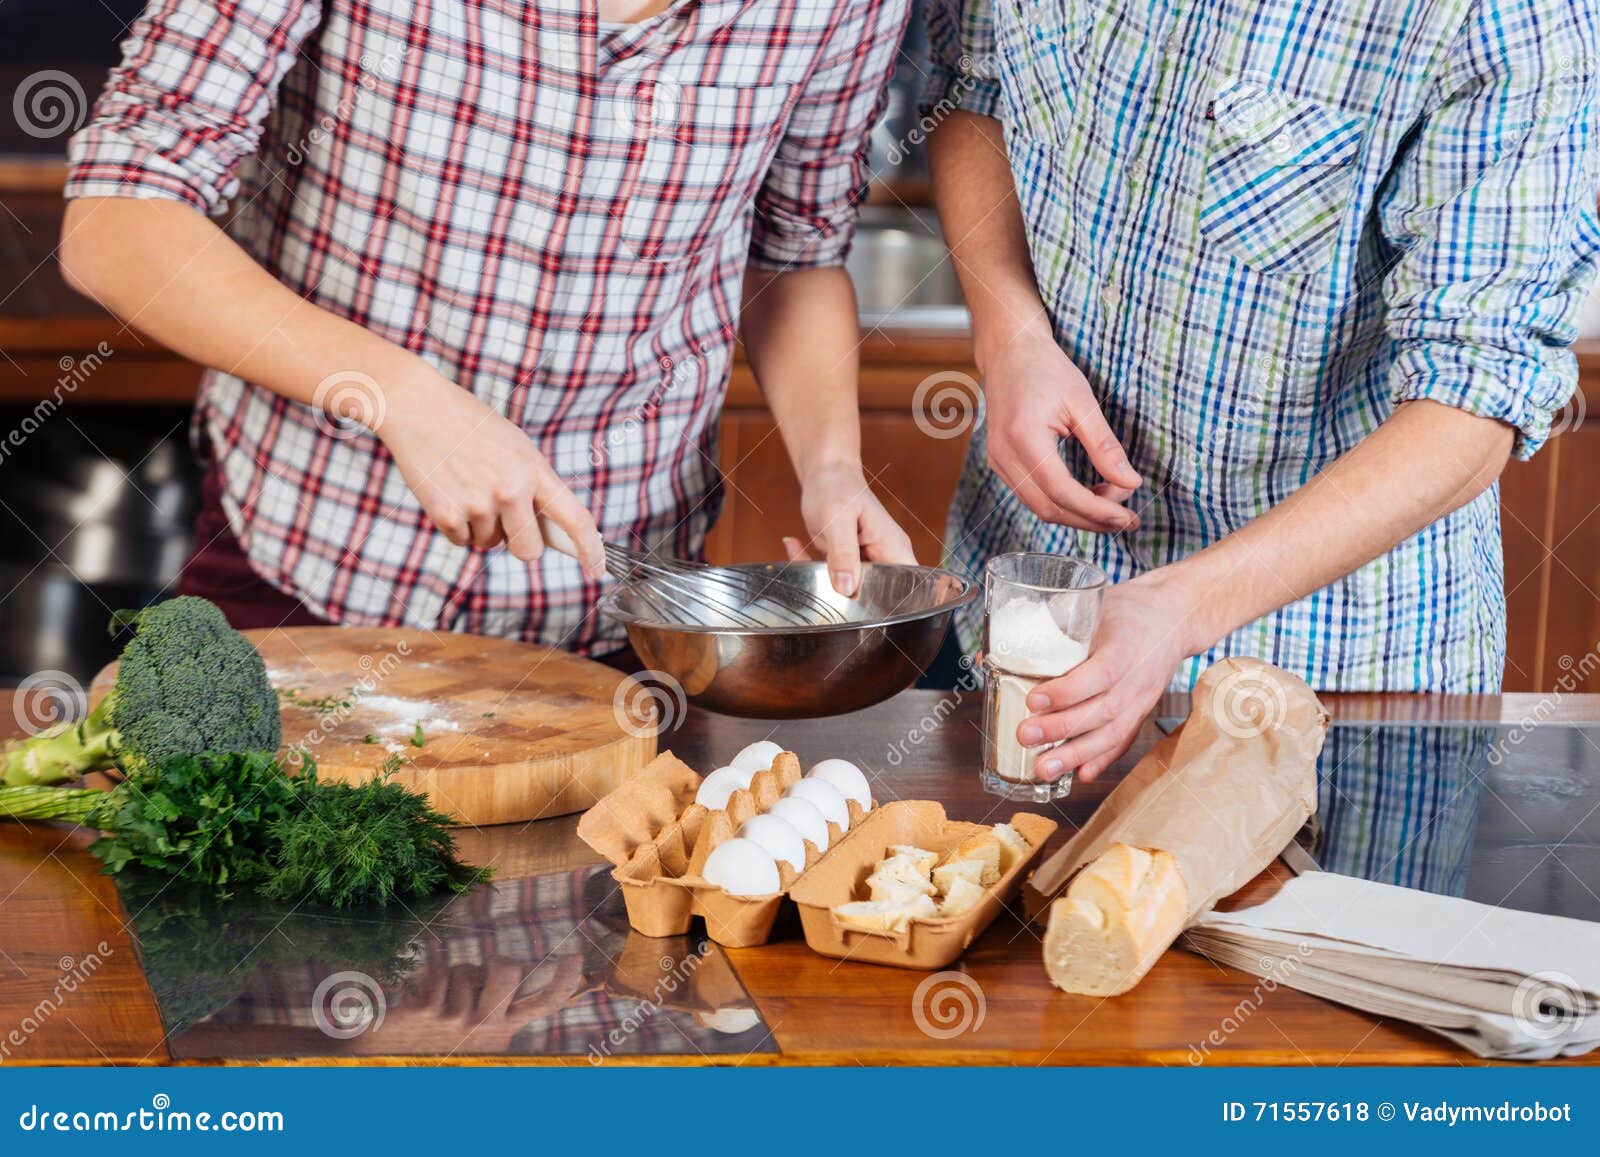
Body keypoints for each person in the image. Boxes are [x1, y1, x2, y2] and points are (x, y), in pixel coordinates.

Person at [59, 0, 916, 655]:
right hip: (297, 563)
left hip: (615, 617)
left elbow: (792, 255)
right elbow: (118, 219)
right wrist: (397, 397)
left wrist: (833, 468)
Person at [924, 0, 1599, 781]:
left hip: (1326, 682)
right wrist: (1011, 337)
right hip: (1019, 615)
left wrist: (1175, 608)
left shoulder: (1513, 17)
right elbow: (970, 95)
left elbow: (1475, 395)